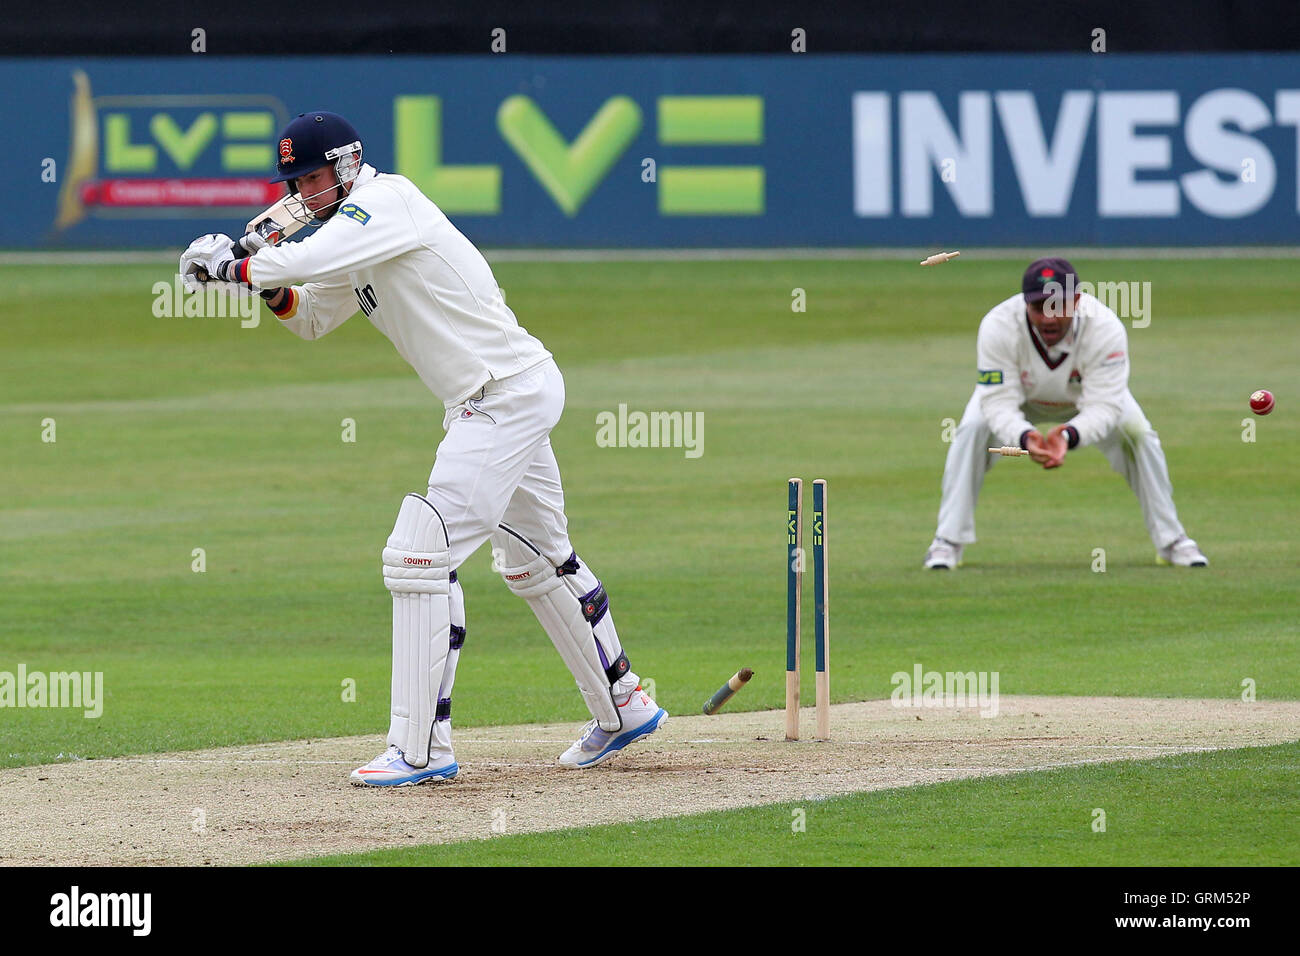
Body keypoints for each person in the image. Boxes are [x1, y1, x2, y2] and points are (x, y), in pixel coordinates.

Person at [179, 111, 667, 785]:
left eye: (314, 178)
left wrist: (235, 265)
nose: (305, 193)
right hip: (501, 396)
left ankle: (420, 749)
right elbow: (312, 315)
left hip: (501, 395)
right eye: (295, 183)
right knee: (536, 561)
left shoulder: (387, 202)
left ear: (348, 166)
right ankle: (624, 702)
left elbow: (308, 256)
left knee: (419, 553)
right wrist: (257, 280)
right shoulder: (350, 241)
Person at [923, 257, 1207, 570]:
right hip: (1018, 399)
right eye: (1039, 307)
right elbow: (997, 402)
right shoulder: (998, 325)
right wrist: (1024, 436)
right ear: (1024, 304)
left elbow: (1105, 405)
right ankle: (947, 542)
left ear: (1076, 300)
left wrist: (1069, 436)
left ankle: (1172, 541)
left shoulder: (1105, 327)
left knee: (1139, 435)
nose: (1048, 318)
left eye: (1058, 305)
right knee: (972, 429)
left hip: (1087, 399)